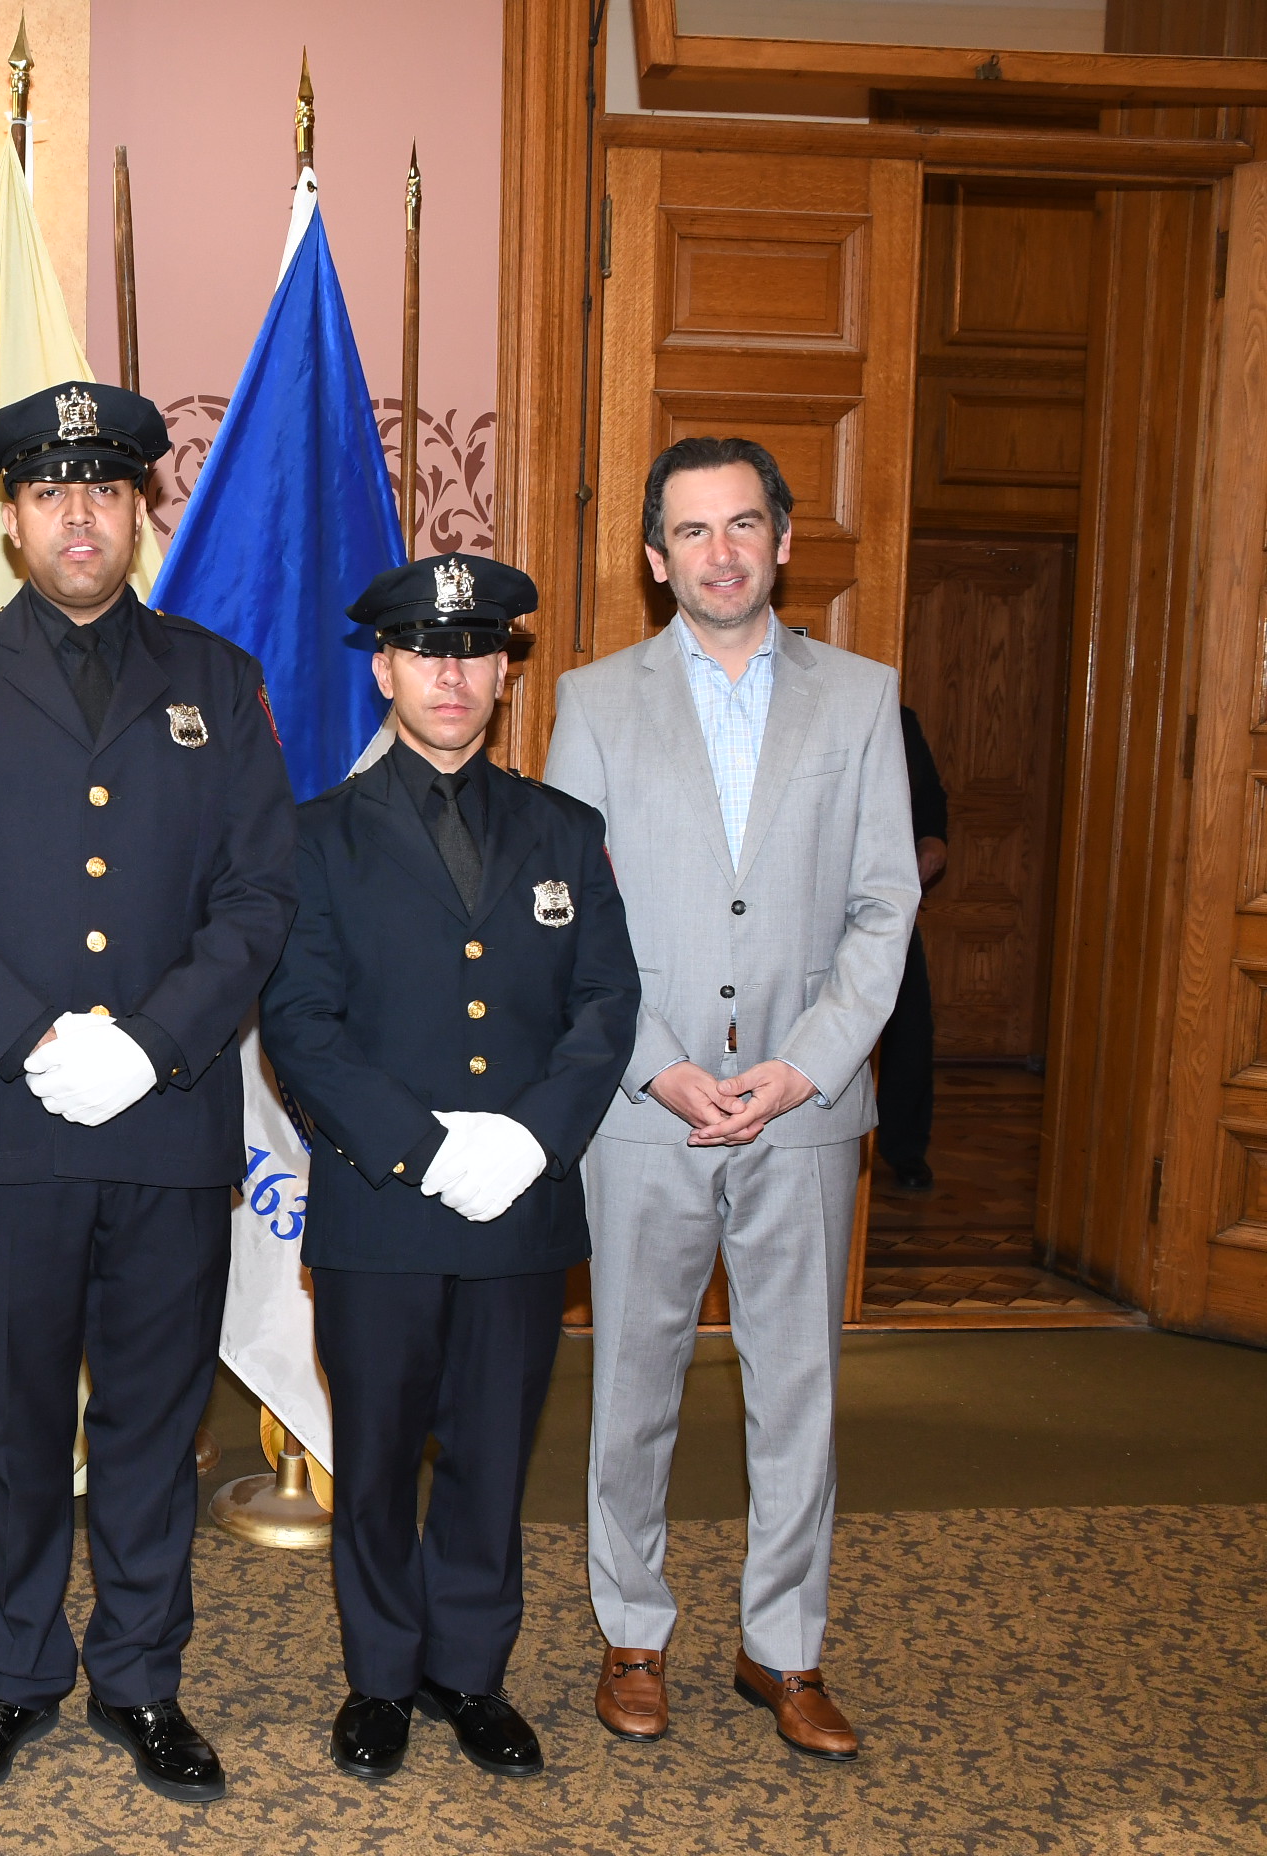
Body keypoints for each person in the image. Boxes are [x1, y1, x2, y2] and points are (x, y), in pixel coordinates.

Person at [0, 382, 298, 1805]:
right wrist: (35, 1039)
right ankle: (14, 1675)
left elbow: (258, 894)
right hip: (5, 1117)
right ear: (14, 519)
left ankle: (144, 1680)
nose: (80, 514)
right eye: (51, 493)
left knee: (155, 1422)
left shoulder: (217, 680)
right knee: (18, 1416)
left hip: (164, 1122)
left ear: (140, 507)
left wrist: (154, 1043)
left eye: (105, 489)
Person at [545, 435, 918, 1763]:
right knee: (633, 1382)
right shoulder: (591, 703)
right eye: (692, 533)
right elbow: (569, 916)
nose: (720, 552)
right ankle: (632, 1632)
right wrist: (654, 1059)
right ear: (655, 561)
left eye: (742, 526)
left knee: (796, 1391)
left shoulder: (863, 699)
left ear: (783, 541)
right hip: (647, 1107)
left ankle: (784, 1651)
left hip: (802, 1110)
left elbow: (887, 905)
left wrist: (806, 1061)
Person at [259, 554, 639, 1783]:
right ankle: (379, 1674)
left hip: (521, 1211)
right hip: (382, 1207)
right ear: (384, 667)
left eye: (476, 652)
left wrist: (528, 1136)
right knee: (372, 1453)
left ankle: (468, 1671)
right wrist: (425, 1147)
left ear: (504, 673)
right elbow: (299, 1025)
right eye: (427, 650)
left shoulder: (564, 832)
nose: (453, 673)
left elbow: (605, 1001)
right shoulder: (315, 838)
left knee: (489, 1450)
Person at [875, 706, 950, 1190]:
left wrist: (934, 841)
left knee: (909, 1026)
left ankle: (905, 1148)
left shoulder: (899, 719)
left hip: (888, 901)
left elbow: (930, 800)